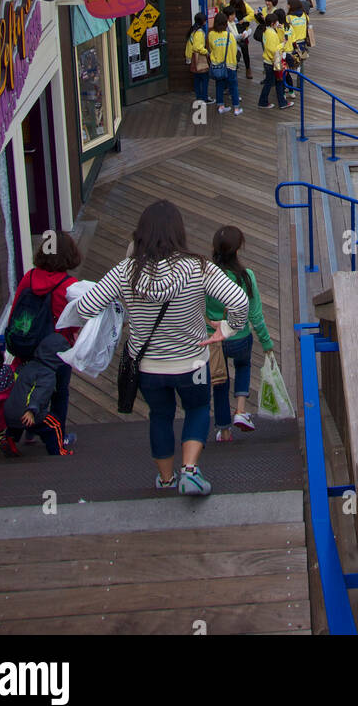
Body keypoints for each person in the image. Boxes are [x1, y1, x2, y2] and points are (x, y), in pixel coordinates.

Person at [75, 199, 249, 493]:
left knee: (160, 416)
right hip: (192, 362)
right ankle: (190, 471)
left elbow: (85, 307)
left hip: (148, 366)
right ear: (178, 232)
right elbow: (240, 301)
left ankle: (166, 480)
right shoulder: (198, 267)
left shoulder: (125, 271)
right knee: (196, 410)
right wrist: (228, 329)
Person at [6, 233, 83, 444]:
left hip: (27, 346)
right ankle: (59, 436)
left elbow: (15, 311)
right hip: (55, 351)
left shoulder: (29, 277)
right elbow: (72, 323)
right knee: (58, 392)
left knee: (25, 386)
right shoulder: (69, 285)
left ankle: (20, 434)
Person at [205, 227, 275, 439]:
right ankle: (241, 410)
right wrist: (267, 343)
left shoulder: (206, 277)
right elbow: (255, 314)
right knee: (243, 366)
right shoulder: (246, 277)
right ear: (238, 250)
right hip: (240, 336)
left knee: (219, 381)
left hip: (215, 340)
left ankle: (224, 430)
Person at [2, 332, 75, 457]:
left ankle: (10, 439)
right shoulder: (48, 374)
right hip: (28, 412)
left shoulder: (28, 366)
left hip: (10, 412)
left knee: (16, 425)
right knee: (54, 425)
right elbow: (39, 393)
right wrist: (32, 410)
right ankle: (58, 451)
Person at [208, 11, 242, 116]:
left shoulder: (211, 35)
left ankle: (221, 106)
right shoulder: (229, 36)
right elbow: (234, 51)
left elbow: (211, 48)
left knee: (219, 86)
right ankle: (236, 108)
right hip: (230, 65)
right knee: (233, 87)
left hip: (218, 65)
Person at [258, 12, 289, 109]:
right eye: (276, 22)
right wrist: (283, 44)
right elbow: (273, 49)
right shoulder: (271, 33)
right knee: (276, 82)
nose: (278, 23)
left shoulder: (267, 31)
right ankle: (280, 102)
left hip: (269, 61)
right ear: (272, 23)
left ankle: (279, 102)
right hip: (273, 62)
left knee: (273, 82)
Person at [186, 11, 213, 107]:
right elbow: (197, 47)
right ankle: (204, 98)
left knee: (197, 80)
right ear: (203, 21)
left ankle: (199, 97)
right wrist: (207, 52)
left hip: (192, 58)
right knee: (204, 78)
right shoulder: (199, 32)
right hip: (198, 59)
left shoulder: (193, 30)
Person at [226, 0, 255, 80]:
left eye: (237, 7)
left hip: (242, 31)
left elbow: (252, 14)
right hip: (232, 31)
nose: (236, 9)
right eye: (234, 6)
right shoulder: (228, 7)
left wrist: (244, 20)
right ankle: (234, 65)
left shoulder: (245, 6)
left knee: (245, 50)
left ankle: (248, 68)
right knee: (233, 50)